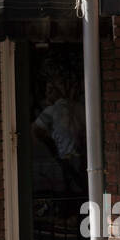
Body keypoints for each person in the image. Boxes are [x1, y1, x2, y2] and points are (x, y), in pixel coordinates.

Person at [32, 57, 86, 193]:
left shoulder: (54, 109)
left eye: (50, 90)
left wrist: (50, 143)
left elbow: (36, 130)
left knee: (68, 184)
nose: (46, 94)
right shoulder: (79, 108)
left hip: (65, 158)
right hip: (79, 156)